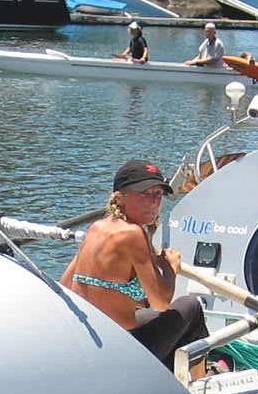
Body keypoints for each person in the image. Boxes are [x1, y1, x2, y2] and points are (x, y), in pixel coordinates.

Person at [61, 160, 208, 375]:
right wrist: (170, 268)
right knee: (192, 307)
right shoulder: (133, 234)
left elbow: (66, 285)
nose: (154, 202)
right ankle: (198, 384)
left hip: (91, 344)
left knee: (155, 316)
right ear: (120, 197)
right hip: (123, 350)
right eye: (144, 194)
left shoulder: (97, 228)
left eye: (158, 194)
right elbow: (161, 303)